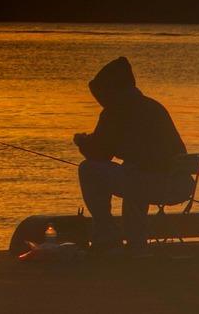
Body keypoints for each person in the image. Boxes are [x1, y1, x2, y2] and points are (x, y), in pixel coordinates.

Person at [73, 56, 192, 252]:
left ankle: (107, 235)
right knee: (131, 171)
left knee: (88, 170)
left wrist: (82, 142)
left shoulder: (115, 111)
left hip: (151, 183)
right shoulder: (154, 106)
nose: (101, 100)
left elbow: (99, 154)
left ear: (111, 91)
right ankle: (136, 240)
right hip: (179, 185)